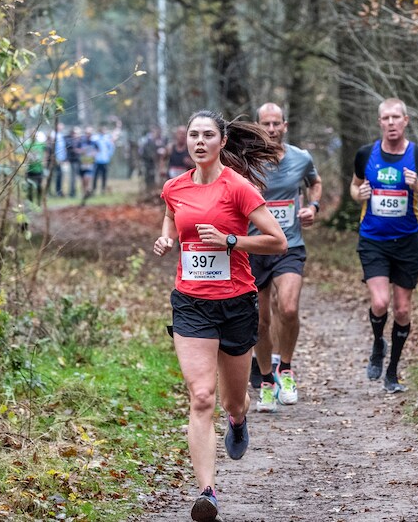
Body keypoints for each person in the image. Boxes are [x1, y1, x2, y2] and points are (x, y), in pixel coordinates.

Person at [152, 110, 286, 522]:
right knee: (201, 396)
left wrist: (231, 240)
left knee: (232, 399)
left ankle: (239, 419)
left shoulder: (239, 187)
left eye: (208, 135)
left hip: (235, 303)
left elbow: (277, 242)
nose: (200, 141)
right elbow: (172, 215)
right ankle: (207, 493)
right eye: (193, 134)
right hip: (191, 303)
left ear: (222, 141)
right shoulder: (175, 187)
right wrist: (167, 238)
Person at [349, 98, 418, 393]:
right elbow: (354, 187)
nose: (391, 122)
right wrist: (359, 194)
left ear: (406, 120)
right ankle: (378, 344)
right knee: (380, 303)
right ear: (380, 122)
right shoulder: (366, 154)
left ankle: (392, 372)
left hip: (407, 244)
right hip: (373, 241)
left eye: (396, 117)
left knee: (402, 311)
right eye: (386, 118)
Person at [247, 103, 323, 412]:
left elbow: (315, 182)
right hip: (254, 248)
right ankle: (267, 382)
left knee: (288, 308)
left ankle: (286, 370)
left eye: (276, 123)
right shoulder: (246, 162)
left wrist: (313, 207)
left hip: (289, 246)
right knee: (260, 322)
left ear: (285, 126)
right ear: (257, 126)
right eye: (266, 123)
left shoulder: (301, 158)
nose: (272, 129)